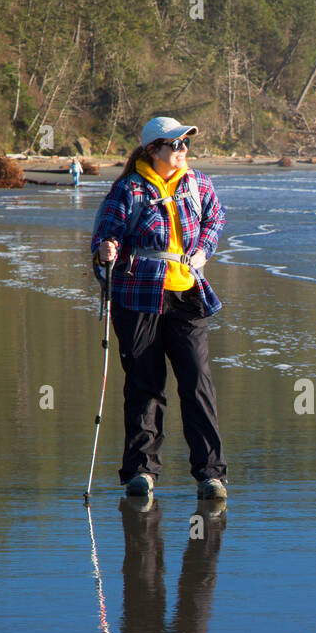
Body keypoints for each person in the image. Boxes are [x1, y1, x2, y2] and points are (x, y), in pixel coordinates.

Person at [90, 116, 228, 500]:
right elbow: (104, 236)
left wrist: (203, 250)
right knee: (144, 384)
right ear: (153, 150)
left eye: (185, 143)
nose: (183, 150)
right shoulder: (128, 189)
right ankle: (141, 472)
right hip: (138, 298)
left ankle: (210, 474)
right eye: (175, 144)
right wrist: (106, 251)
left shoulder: (199, 183)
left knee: (197, 383)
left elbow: (215, 219)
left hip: (187, 296)